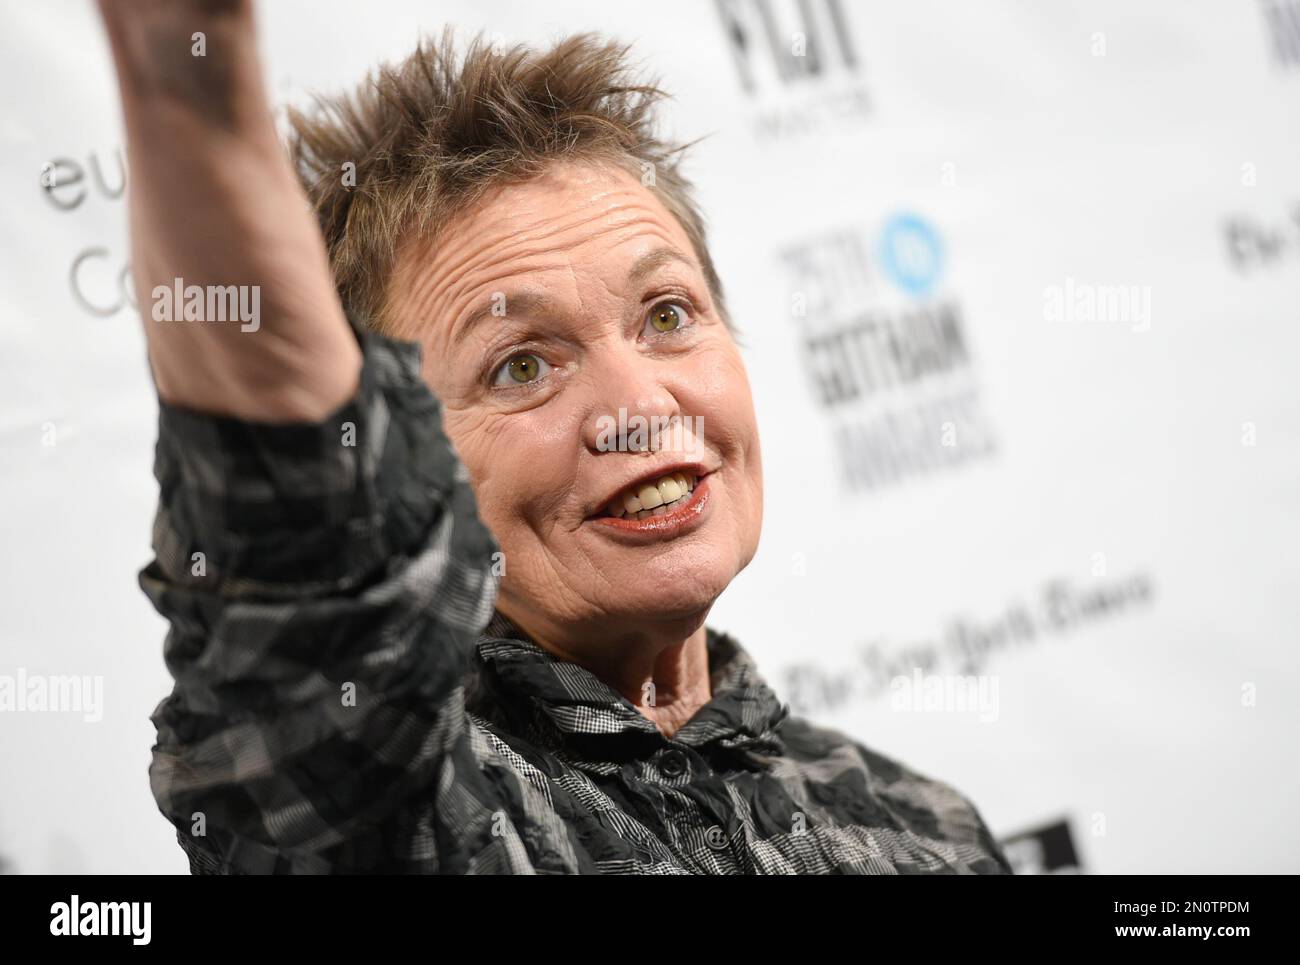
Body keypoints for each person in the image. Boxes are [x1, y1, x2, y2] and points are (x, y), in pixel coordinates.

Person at [98, 0, 1012, 873]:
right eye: (521, 366)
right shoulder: (402, 812)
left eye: (666, 313)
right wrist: (183, 78)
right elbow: (298, 544)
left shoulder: (924, 823)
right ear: (401, 469)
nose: (640, 407)